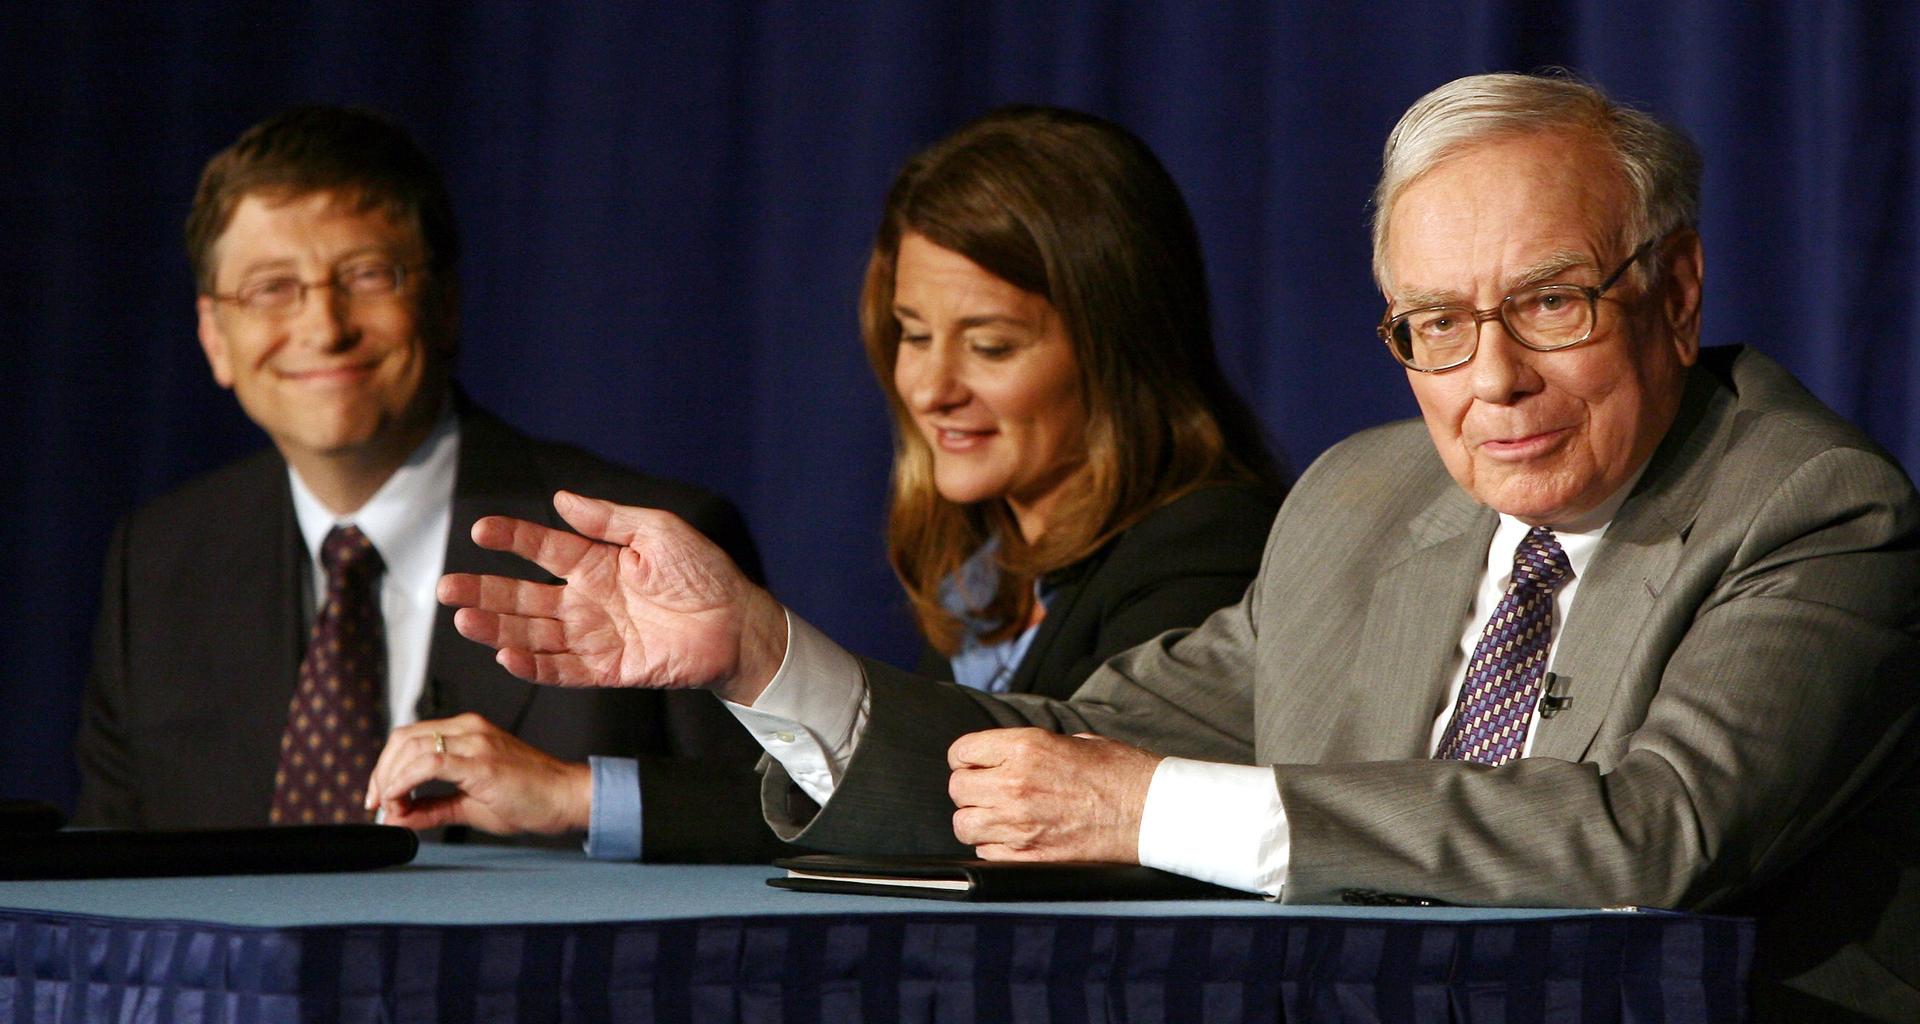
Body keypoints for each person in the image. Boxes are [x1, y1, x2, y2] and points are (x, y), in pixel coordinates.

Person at [433, 74, 1920, 1021]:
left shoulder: (1818, 512)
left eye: (1550, 304)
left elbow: (1650, 843)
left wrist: (1155, 812)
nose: (1492, 383)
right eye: (1437, 328)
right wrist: (765, 657)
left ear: (1674, 295)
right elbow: (1066, 748)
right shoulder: (1365, 503)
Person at [366, 107, 1284, 846]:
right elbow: (881, 790)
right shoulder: (1000, 557)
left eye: (992, 345)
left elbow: (990, 813)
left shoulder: (1210, 549)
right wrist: (572, 795)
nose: (930, 387)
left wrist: (593, 780)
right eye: (913, 334)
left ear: (1123, 348)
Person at [73, 105, 785, 863]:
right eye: (272, 289)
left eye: (366, 276)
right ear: (216, 337)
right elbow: (108, 873)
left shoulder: (640, 543)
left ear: (444, 305)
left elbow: (793, 816)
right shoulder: (157, 564)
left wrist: (574, 792)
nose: (323, 327)